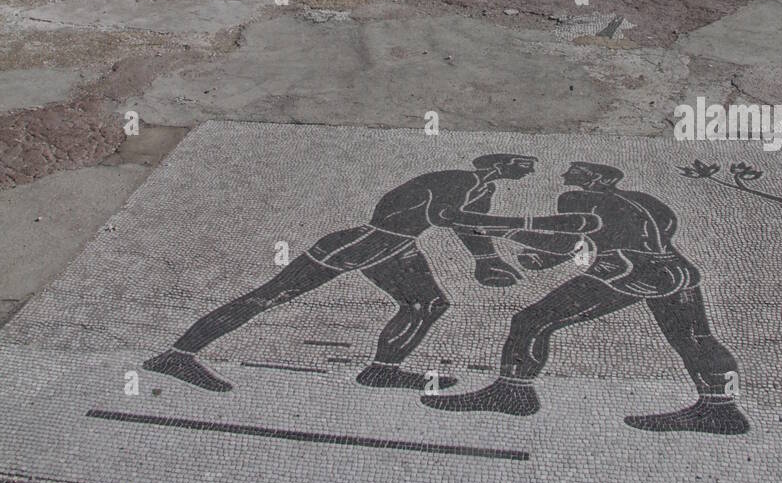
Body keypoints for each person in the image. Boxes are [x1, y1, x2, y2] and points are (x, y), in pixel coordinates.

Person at [144, 154, 537, 393]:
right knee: (272, 296)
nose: (530, 168)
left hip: (397, 246)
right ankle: (177, 355)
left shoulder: (483, 190)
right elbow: (445, 217)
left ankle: (383, 371)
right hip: (363, 242)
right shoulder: (460, 179)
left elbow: (470, 227)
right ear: (499, 163)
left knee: (429, 304)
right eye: (524, 163)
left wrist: (485, 260)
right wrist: (521, 224)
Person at [422, 161, 749, 434]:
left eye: (575, 170)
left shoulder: (576, 199)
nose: (566, 174)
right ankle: (722, 410)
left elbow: (568, 238)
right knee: (696, 337)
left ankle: (512, 393)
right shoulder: (646, 200)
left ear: (594, 178)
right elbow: (617, 234)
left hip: (626, 271)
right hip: (674, 267)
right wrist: (552, 259)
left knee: (531, 321)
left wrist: (491, 226)